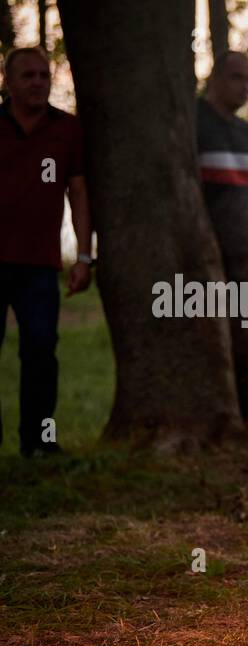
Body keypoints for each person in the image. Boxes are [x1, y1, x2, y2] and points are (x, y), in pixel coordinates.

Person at [0, 46, 92, 458]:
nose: (37, 82)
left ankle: (41, 440)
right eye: (28, 76)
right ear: (8, 82)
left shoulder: (67, 129)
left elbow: (78, 192)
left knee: (41, 352)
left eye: (43, 75)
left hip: (39, 265)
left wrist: (85, 257)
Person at [197, 50, 248, 422]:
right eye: (237, 78)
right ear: (216, 79)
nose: (245, 87)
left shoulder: (245, 132)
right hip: (212, 252)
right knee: (214, 335)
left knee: (247, 336)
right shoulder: (195, 120)